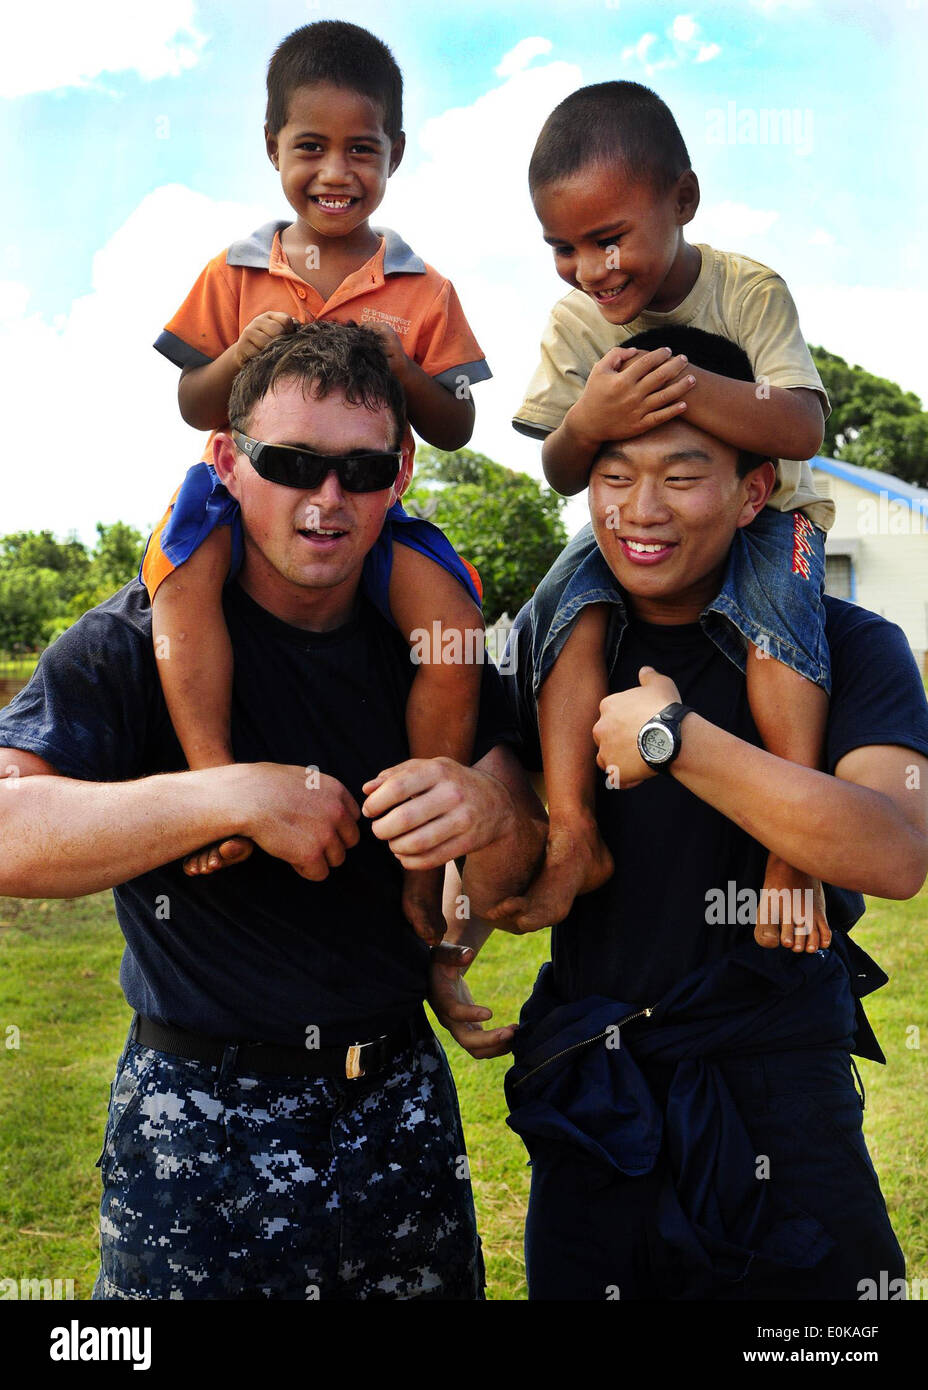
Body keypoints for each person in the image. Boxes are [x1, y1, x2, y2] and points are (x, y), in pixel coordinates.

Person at [0, 323, 545, 1301]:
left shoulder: (437, 650)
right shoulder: (125, 647)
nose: (326, 500)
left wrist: (493, 812)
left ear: (403, 470)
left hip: (398, 1104)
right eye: (290, 463)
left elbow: (522, 885)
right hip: (196, 1117)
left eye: (360, 469)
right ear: (227, 462)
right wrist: (231, 792)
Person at [492, 326, 928, 1300]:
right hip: (595, 1094)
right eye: (613, 474)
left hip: (779, 1096)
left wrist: (678, 740)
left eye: (681, 476)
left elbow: (895, 850)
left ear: (753, 492)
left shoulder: (851, 644)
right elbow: (496, 834)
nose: (639, 511)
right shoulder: (557, 645)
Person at [145, 20, 491, 946]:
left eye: (361, 150)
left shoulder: (422, 289)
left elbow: (455, 424)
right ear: (273, 151)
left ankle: (423, 849)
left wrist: (406, 373)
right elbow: (191, 401)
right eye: (311, 147)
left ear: (396, 156)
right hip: (241, 494)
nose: (336, 172)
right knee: (182, 585)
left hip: (369, 505)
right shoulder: (237, 269)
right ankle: (214, 784)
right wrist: (237, 361)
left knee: (454, 627)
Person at [508, 81, 834, 943]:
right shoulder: (575, 324)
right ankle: (575, 828)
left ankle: (787, 849)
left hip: (765, 516)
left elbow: (801, 425)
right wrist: (590, 423)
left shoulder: (747, 291)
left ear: (682, 200)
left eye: (610, 239)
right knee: (564, 604)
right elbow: (556, 466)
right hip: (634, 530)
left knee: (780, 607)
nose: (590, 270)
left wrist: (679, 379)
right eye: (563, 247)